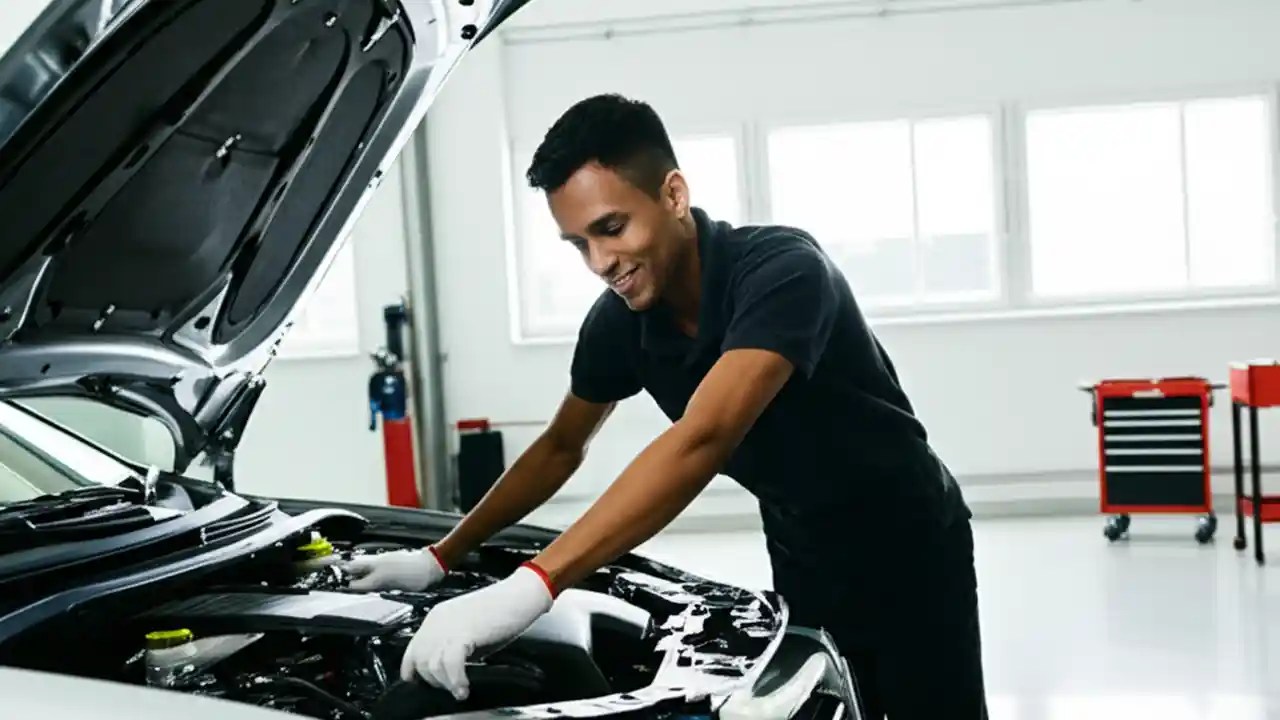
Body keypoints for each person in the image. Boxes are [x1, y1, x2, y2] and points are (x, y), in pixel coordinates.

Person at [345, 93, 987, 719]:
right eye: (577, 244)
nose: (600, 262)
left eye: (611, 228)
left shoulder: (784, 272)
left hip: (908, 540)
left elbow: (705, 436)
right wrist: (439, 555)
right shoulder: (620, 321)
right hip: (803, 548)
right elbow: (560, 446)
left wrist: (532, 586)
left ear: (674, 195)